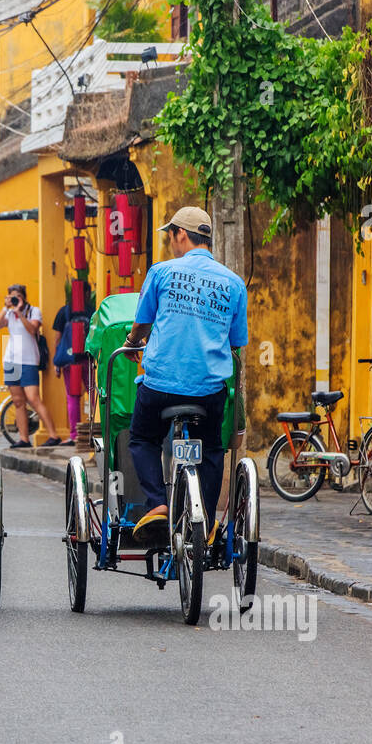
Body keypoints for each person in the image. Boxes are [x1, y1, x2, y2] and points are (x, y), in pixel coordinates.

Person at [124, 206, 248, 542]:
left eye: (171, 235)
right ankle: (205, 524)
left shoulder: (161, 272)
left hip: (161, 384)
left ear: (181, 234)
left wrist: (133, 341)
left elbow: (142, 322)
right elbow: (236, 343)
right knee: (211, 450)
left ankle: (158, 505)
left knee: (143, 439)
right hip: (208, 389)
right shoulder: (234, 283)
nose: (171, 242)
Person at [0, 282, 59, 448]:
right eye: (12, 297)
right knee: (17, 401)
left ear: (23, 297)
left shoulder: (33, 311)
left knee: (33, 399)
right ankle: (24, 439)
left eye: (17, 296)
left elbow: (32, 329)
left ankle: (53, 435)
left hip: (29, 360)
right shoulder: (8, 313)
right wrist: (5, 307)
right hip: (11, 361)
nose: (15, 300)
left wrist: (19, 312)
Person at [52, 280, 95, 446]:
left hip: (70, 362)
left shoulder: (64, 312)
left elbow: (58, 339)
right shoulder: (93, 311)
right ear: (86, 294)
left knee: (73, 397)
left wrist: (57, 362)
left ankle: (74, 435)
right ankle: (94, 430)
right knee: (93, 395)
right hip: (88, 360)